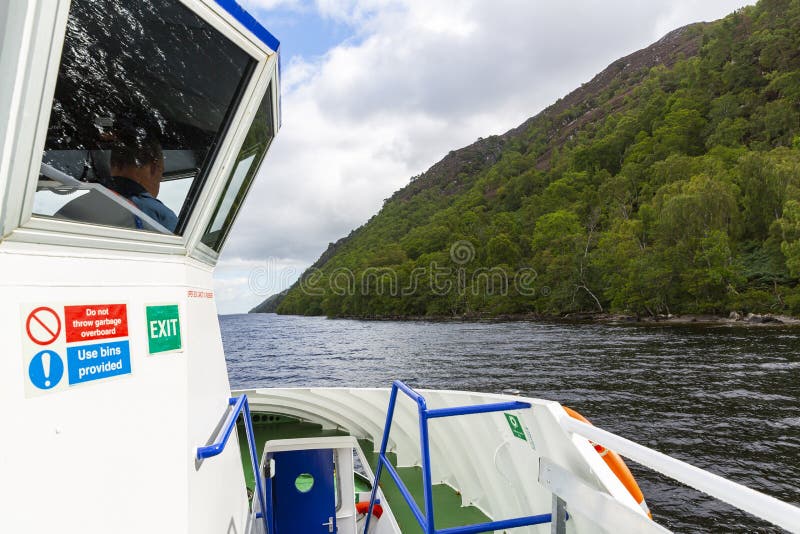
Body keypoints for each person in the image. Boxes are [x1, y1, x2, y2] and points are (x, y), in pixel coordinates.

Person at [102, 128, 178, 232]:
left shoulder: (81, 201)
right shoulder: (161, 217)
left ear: (112, 165)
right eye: (161, 174)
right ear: (154, 168)